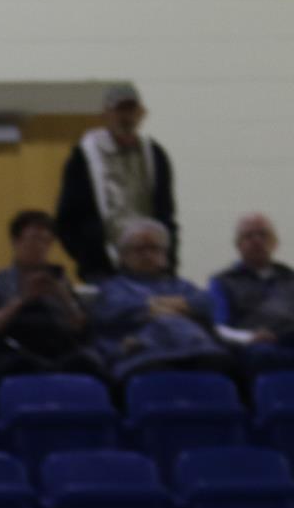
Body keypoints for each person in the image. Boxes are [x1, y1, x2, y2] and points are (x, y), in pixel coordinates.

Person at [55, 85, 178, 285]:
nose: (126, 117)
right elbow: (67, 218)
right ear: (106, 114)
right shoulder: (84, 157)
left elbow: (166, 213)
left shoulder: (155, 155)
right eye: (120, 110)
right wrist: (89, 258)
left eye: (131, 110)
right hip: (104, 268)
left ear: (141, 114)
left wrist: (169, 261)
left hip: (153, 266)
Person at [91, 219, 237, 385]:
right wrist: (180, 308)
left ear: (165, 255)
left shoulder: (181, 285)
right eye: (139, 249)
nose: (147, 254)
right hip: (141, 358)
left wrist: (155, 306)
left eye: (154, 248)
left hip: (200, 354)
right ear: (123, 257)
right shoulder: (112, 288)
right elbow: (117, 310)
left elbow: (205, 304)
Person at [0, 212, 103, 385]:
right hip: (14, 349)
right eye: (34, 239)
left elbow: (81, 327)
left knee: (89, 364)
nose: (40, 246)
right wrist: (23, 298)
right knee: (15, 366)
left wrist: (62, 296)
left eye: (46, 241)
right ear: (16, 241)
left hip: (61, 349)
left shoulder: (60, 282)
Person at [208, 214, 294, 377]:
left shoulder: (290, 278)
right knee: (263, 356)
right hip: (255, 346)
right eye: (249, 236)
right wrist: (249, 337)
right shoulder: (223, 282)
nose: (257, 240)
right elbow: (218, 328)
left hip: (289, 339)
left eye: (263, 234)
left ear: (275, 242)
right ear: (238, 245)